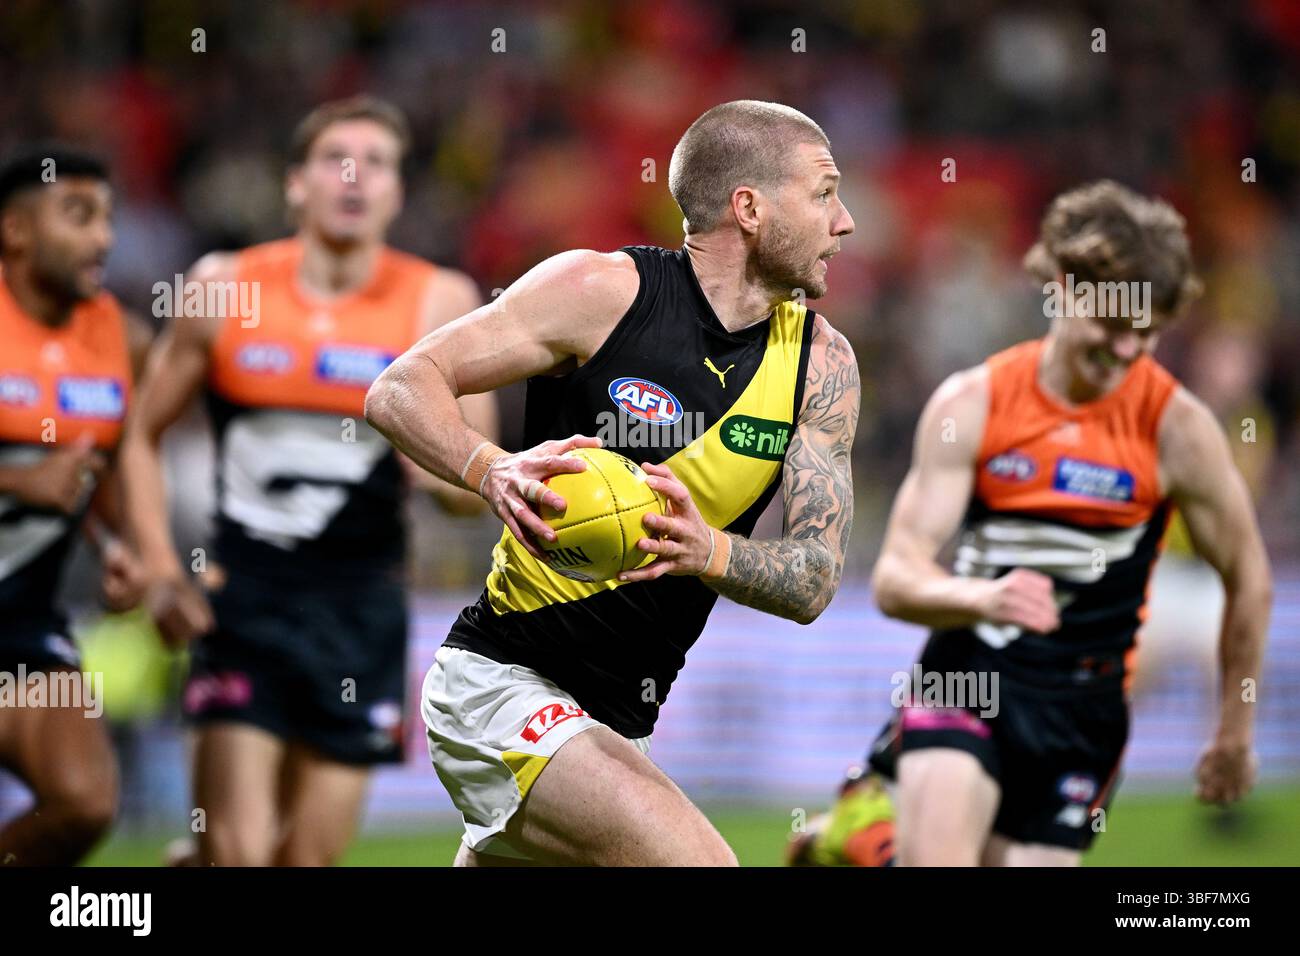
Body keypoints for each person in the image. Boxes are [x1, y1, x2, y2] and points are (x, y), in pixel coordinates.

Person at [366, 99, 860, 866]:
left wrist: (709, 552)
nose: (846, 221)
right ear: (750, 208)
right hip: (500, 682)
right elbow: (399, 388)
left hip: (614, 723)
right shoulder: (599, 291)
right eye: (825, 193)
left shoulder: (821, 366)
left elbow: (815, 579)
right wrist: (491, 468)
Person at [119, 96, 497, 866]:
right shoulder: (224, 286)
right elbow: (135, 432)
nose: (355, 178)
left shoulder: (440, 303)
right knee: (241, 855)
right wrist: (160, 568)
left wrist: (430, 461)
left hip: (362, 612)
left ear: (397, 192)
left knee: (310, 859)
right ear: (295, 184)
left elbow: (475, 482)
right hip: (241, 602)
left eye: (378, 163)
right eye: (335, 160)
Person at [865, 180, 1272, 866]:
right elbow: (894, 578)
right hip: (967, 676)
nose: (1126, 350)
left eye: (1146, 332)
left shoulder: (1179, 430)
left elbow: (1249, 578)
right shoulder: (974, 403)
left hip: (1082, 712)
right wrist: (981, 598)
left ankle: (860, 842)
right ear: (1063, 289)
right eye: (1113, 327)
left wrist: (1234, 731)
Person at [0, 144, 151, 865]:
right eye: (79, 215)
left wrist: (118, 543)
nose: (104, 238)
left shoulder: (116, 334)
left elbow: (111, 462)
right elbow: (37, 473)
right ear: (16, 230)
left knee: (85, 802)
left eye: (109, 219)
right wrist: (19, 482)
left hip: (23, 625)